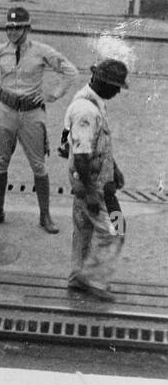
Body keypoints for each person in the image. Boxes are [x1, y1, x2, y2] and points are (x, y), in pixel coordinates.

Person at [0, 7, 79, 232]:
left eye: (17, 27)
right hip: (4, 112)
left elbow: (70, 71)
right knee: (0, 163)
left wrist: (53, 94)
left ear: (27, 28)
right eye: (9, 28)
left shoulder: (41, 51)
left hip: (31, 114)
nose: (12, 32)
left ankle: (45, 216)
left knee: (39, 166)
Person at [63, 59, 129, 301]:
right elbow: (81, 155)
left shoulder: (92, 101)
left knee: (84, 231)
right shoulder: (87, 110)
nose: (118, 90)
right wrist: (91, 192)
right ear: (101, 82)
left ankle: (77, 277)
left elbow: (97, 143)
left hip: (97, 180)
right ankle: (93, 280)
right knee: (117, 228)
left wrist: (114, 168)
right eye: (115, 85)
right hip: (94, 185)